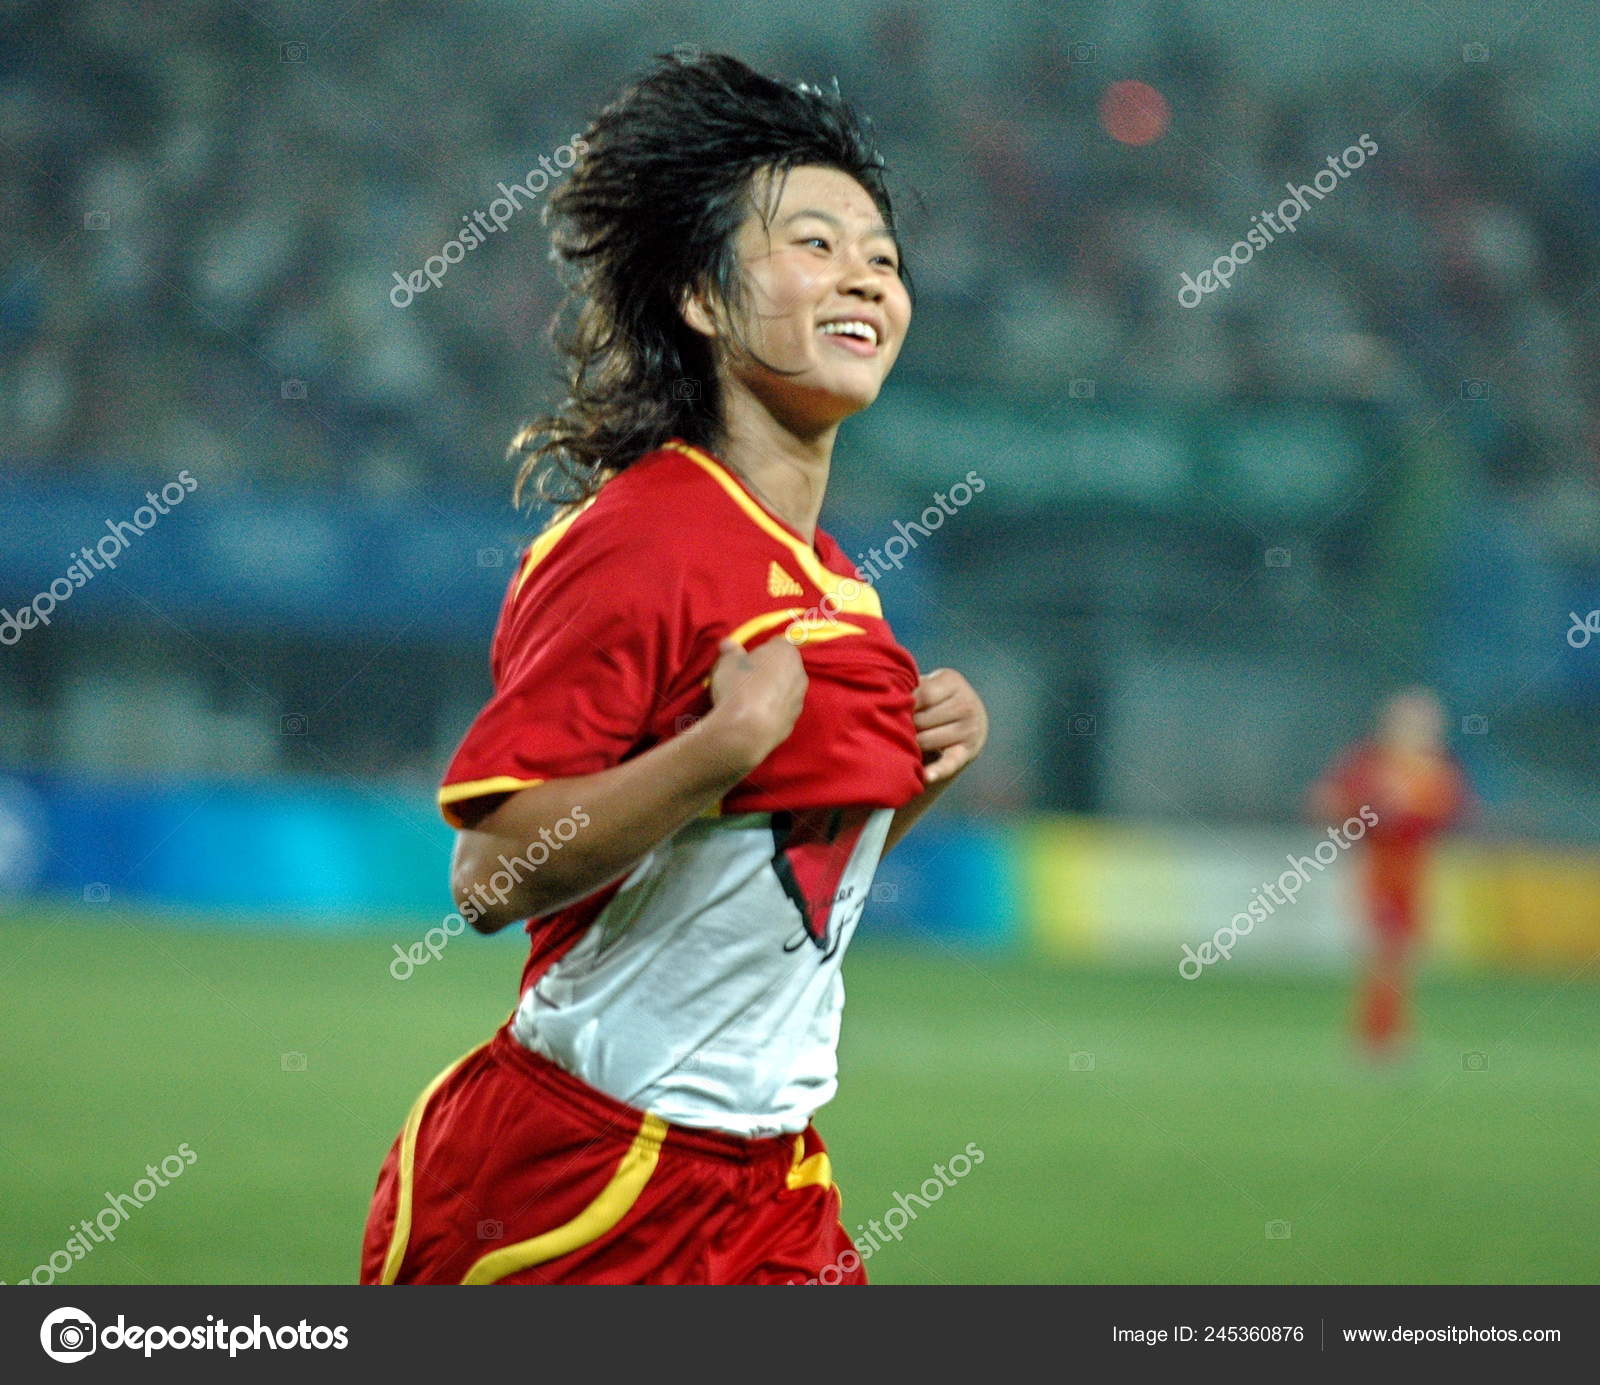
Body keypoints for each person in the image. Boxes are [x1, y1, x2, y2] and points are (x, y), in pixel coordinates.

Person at [359, 51, 988, 1285]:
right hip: (577, 1189)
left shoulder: (840, 584)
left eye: (881, 255)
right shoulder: (640, 541)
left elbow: (769, 878)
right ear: (700, 298)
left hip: (771, 1188)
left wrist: (917, 778)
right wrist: (716, 750)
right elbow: (488, 877)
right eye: (814, 244)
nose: (866, 274)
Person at [1310, 688, 1471, 1060]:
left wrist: (1404, 814)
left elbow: (1449, 814)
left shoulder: (1438, 768)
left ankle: (1386, 1035)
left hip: (1416, 873)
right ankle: (1377, 1040)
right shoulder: (1370, 763)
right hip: (1379, 871)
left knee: (1401, 956)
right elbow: (1329, 800)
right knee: (1386, 951)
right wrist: (1364, 814)